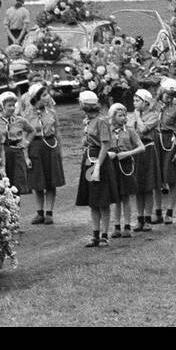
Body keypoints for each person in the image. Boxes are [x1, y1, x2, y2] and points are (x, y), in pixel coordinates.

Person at [75, 90, 117, 247]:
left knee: (103, 199)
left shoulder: (101, 121)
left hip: (99, 160)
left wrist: (98, 165)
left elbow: (106, 144)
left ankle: (104, 235)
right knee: (93, 199)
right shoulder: (87, 121)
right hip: (88, 159)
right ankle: (95, 234)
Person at [21, 82, 64, 225]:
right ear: (37, 97)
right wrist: (26, 155)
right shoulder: (26, 114)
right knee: (38, 182)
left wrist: (59, 150)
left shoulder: (51, 112)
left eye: (47, 94)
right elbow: (23, 136)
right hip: (35, 147)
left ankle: (49, 213)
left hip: (51, 146)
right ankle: (39, 212)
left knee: (51, 181)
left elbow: (57, 131)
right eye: (44, 95)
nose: (48, 97)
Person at [106, 102, 146, 241]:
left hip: (127, 164)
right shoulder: (107, 130)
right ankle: (116, 226)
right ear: (113, 116)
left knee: (126, 196)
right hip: (112, 164)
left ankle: (127, 225)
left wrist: (127, 153)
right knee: (115, 197)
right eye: (120, 115)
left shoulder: (129, 130)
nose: (123, 118)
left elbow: (141, 147)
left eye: (124, 115)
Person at [153, 78, 176, 224]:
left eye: (172, 95)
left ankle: (170, 213)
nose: (169, 97)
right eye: (167, 94)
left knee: (171, 178)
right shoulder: (154, 106)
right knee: (156, 179)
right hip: (156, 140)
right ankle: (157, 212)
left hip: (169, 142)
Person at [0, 91, 32, 201]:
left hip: (16, 153)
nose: (12, 108)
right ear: (2, 107)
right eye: (9, 105)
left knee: (16, 186)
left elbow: (32, 130)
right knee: (3, 185)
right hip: (2, 153)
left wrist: (26, 142)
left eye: (13, 105)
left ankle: (15, 210)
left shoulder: (19, 120)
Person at [129, 88, 159, 230]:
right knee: (138, 187)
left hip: (147, 149)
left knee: (147, 187)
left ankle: (147, 218)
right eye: (134, 100)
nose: (134, 103)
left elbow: (142, 130)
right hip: (136, 150)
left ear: (146, 102)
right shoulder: (132, 116)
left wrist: (137, 116)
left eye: (137, 100)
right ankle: (139, 218)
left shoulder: (153, 116)